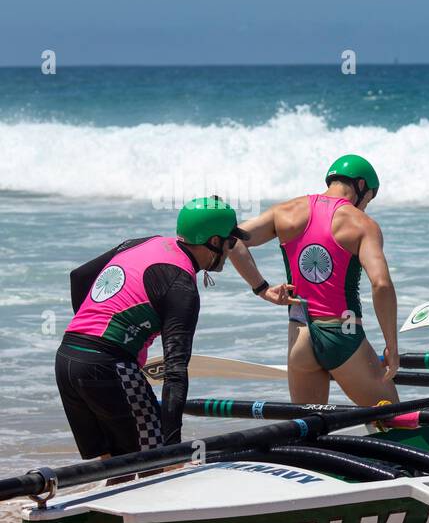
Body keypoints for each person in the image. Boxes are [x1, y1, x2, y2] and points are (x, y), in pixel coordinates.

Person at [56, 197, 248, 468]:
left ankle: (112, 508)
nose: (231, 250)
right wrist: (172, 448)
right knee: (156, 466)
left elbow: (79, 276)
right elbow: (175, 372)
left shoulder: (142, 243)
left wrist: (93, 327)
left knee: (118, 464)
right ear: (214, 242)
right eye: (230, 242)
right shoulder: (180, 286)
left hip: (66, 358)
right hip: (109, 366)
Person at [229, 155, 399, 406]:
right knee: (392, 417)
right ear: (361, 185)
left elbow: (232, 239)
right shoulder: (362, 224)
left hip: (298, 333)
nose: (364, 208)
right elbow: (381, 284)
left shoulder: (286, 211)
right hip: (343, 331)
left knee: (309, 429)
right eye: (368, 200)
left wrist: (262, 289)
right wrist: (391, 346)